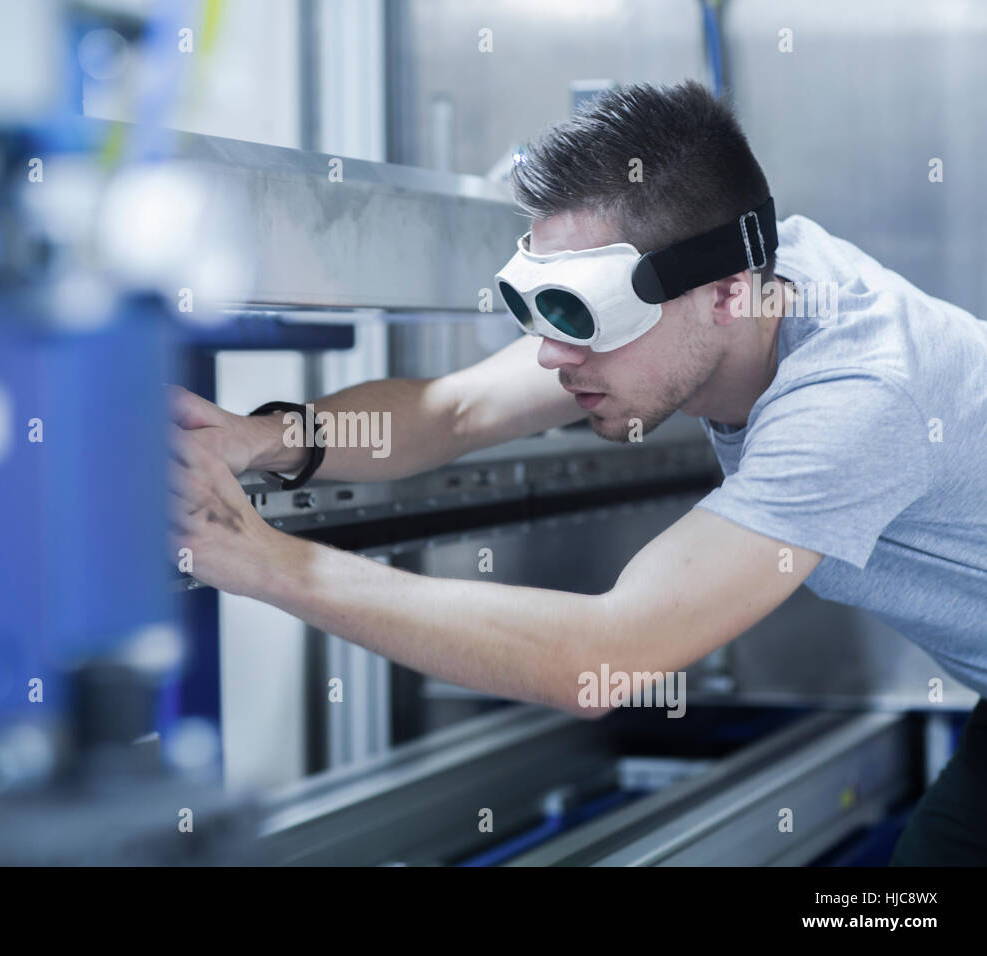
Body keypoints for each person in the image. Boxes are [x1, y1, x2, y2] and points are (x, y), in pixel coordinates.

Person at [167, 81, 987, 865]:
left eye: (587, 313)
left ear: (731, 295)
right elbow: (455, 411)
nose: (552, 354)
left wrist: (261, 560)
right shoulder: (741, 262)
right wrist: (260, 438)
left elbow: (605, 656)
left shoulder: (857, 398)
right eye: (540, 305)